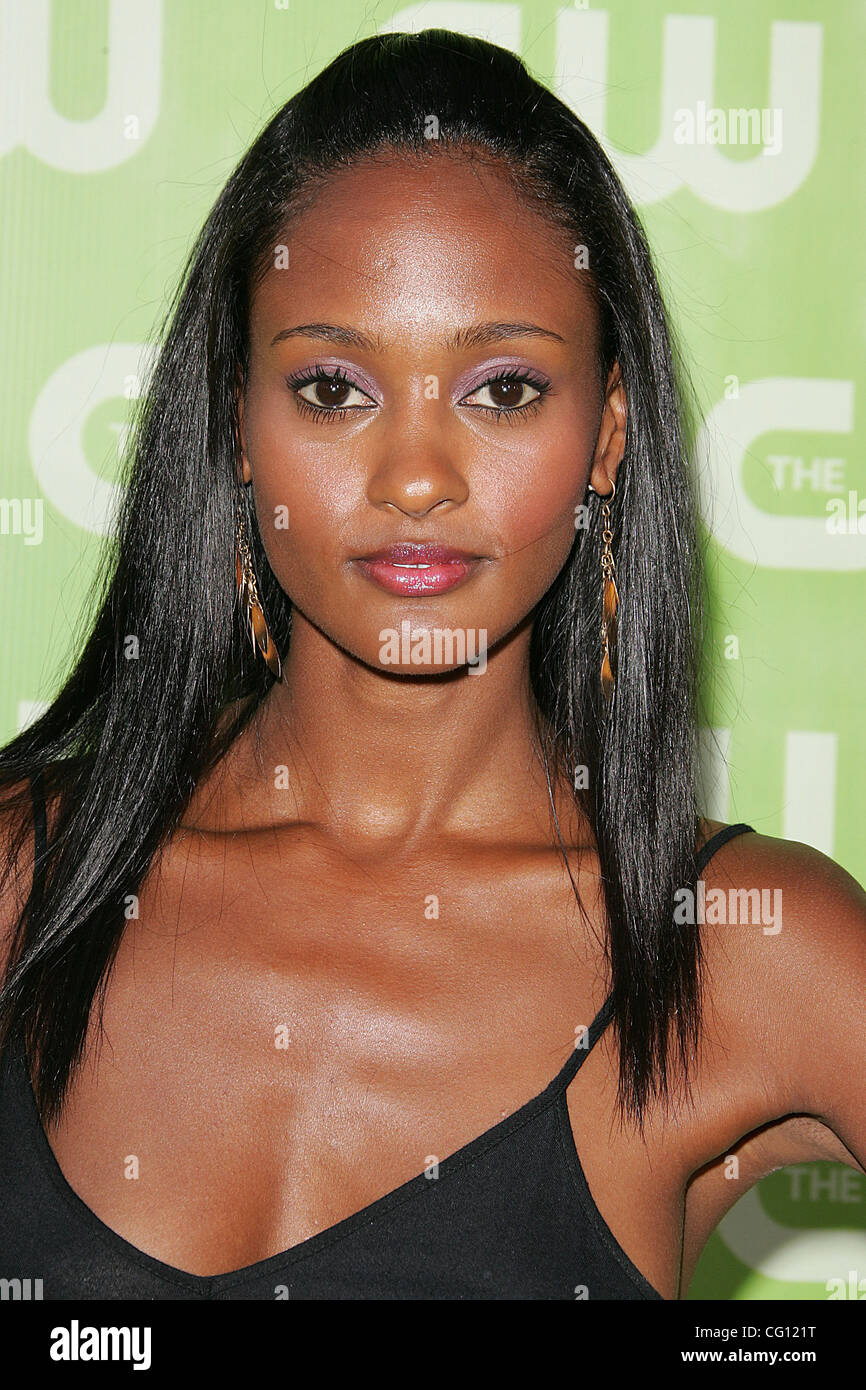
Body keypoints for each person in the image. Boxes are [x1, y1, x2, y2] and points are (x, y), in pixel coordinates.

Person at [0, 29, 863, 1302]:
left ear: (608, 433)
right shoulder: (27, 877)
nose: (413, 478)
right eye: (334, 388)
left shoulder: (742, 955)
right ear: (236, 417)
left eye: (503, 389)